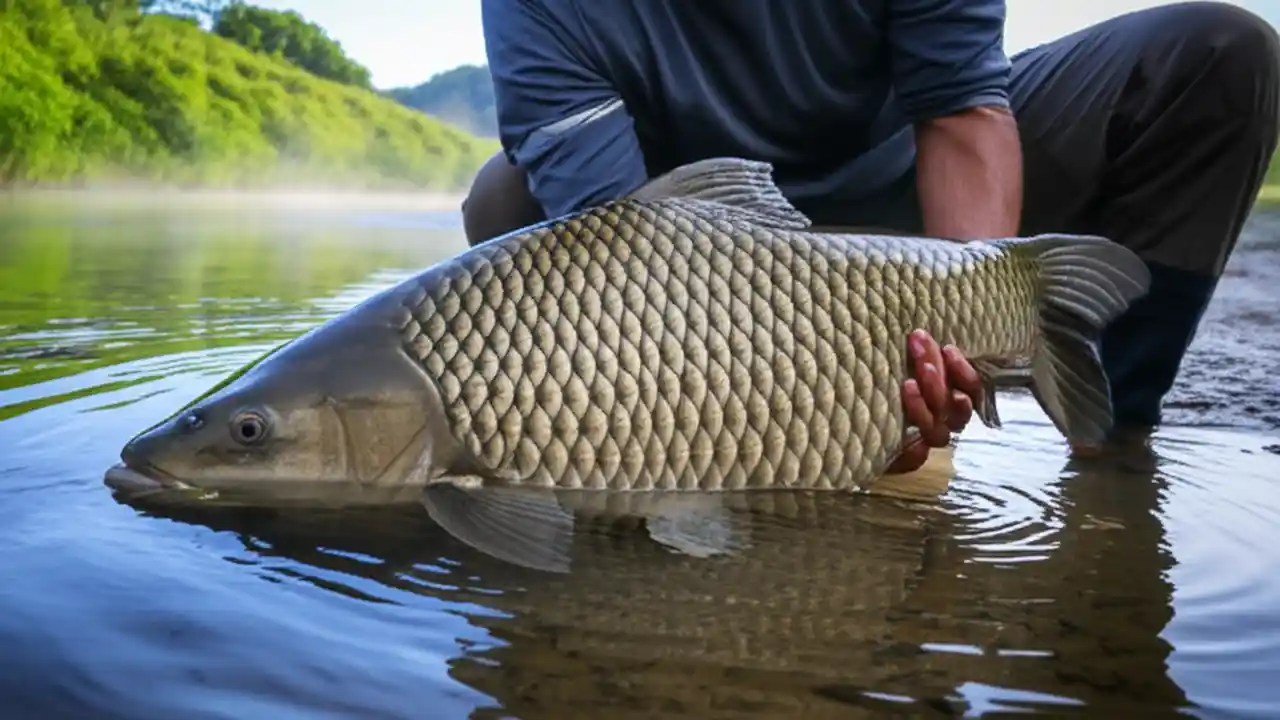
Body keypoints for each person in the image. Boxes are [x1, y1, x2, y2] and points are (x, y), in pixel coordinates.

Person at [465, 1, 1280, 474]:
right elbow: (619, 252)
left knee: (1219, 53)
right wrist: (806, 418)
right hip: (697, 254)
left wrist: (964, 329)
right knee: (503, 202)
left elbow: (962, 113)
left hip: (905, 197)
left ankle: (1110, 433)